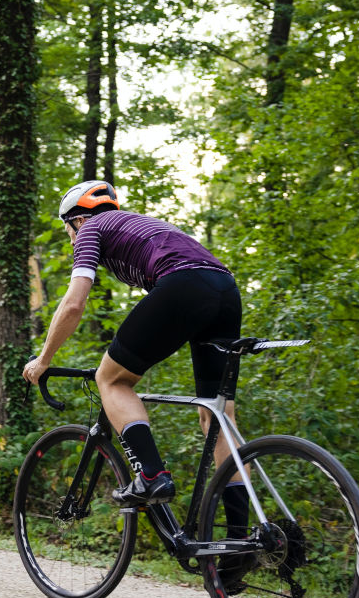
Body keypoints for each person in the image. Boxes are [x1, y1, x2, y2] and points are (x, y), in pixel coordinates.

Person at [22, 180, 247, 518]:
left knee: (111, 379)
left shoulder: (90, 228)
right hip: (226, 290)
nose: (69, 237)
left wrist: (44, 359)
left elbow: (73, 304)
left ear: (77, 220)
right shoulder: (141, 224)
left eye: (66, 229)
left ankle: (152, 476)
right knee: (217, 416)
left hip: (184, 284)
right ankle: (239, 544)